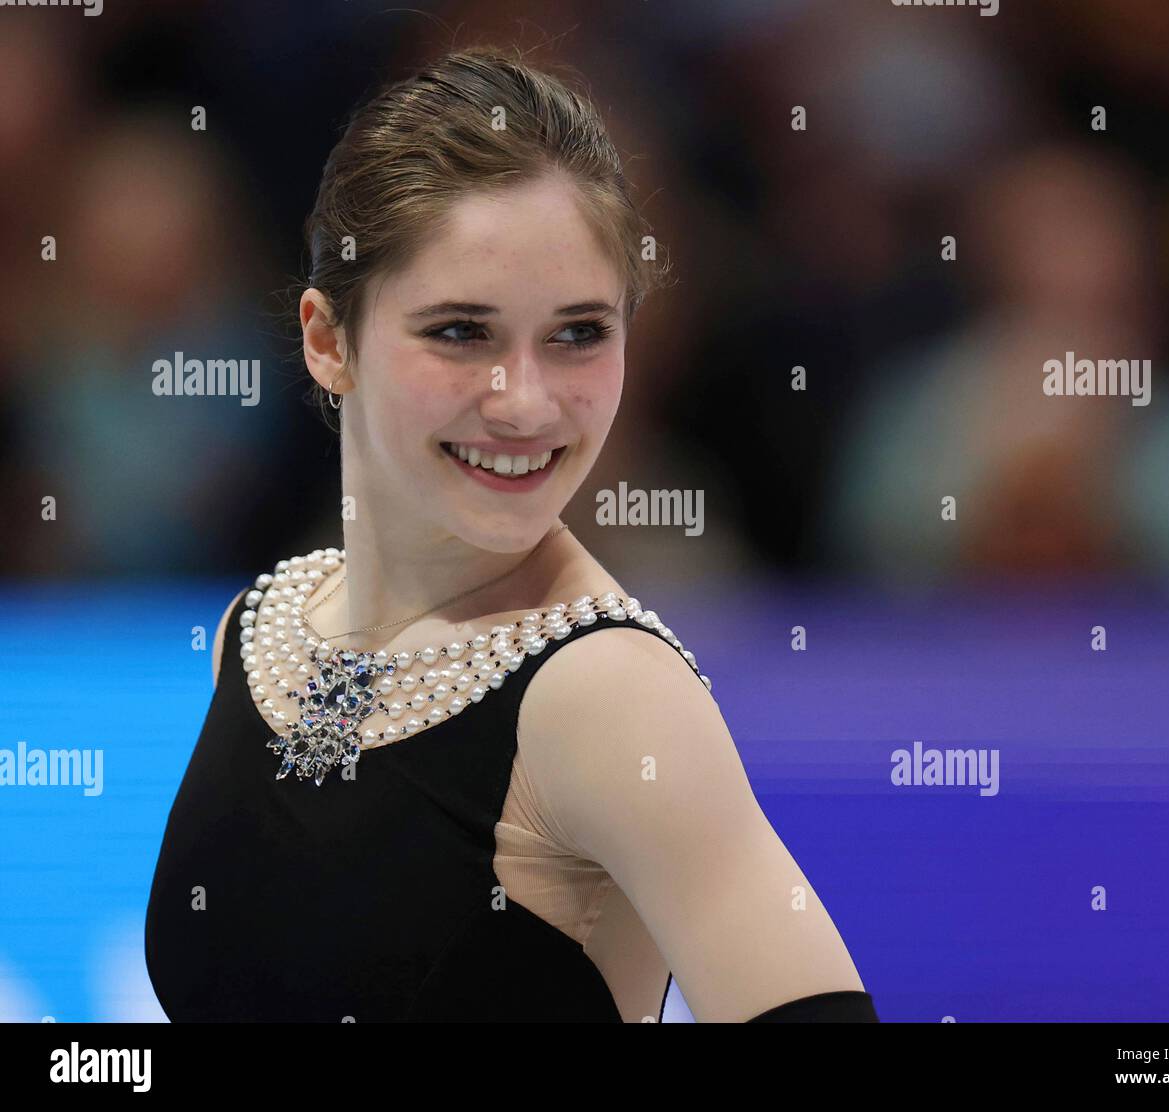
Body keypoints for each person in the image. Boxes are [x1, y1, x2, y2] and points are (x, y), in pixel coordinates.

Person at [144, 45, 878, 1024]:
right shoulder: (259, 629)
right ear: (329, 340)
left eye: (578, 333)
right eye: (460, 331)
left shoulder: (611, 697)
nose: (526, 403)